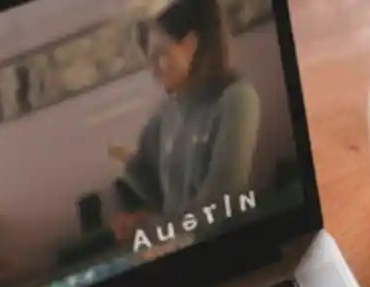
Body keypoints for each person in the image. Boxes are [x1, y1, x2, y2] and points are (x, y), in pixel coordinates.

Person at [112, 0, 262, 243]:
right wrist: (135, 215)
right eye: (149, 59)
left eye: (160, 55)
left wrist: (152, 228)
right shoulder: (163, 117)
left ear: (191, 44)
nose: (154, 70)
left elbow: (221, 204)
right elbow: (163, 199)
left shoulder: (236, 99)